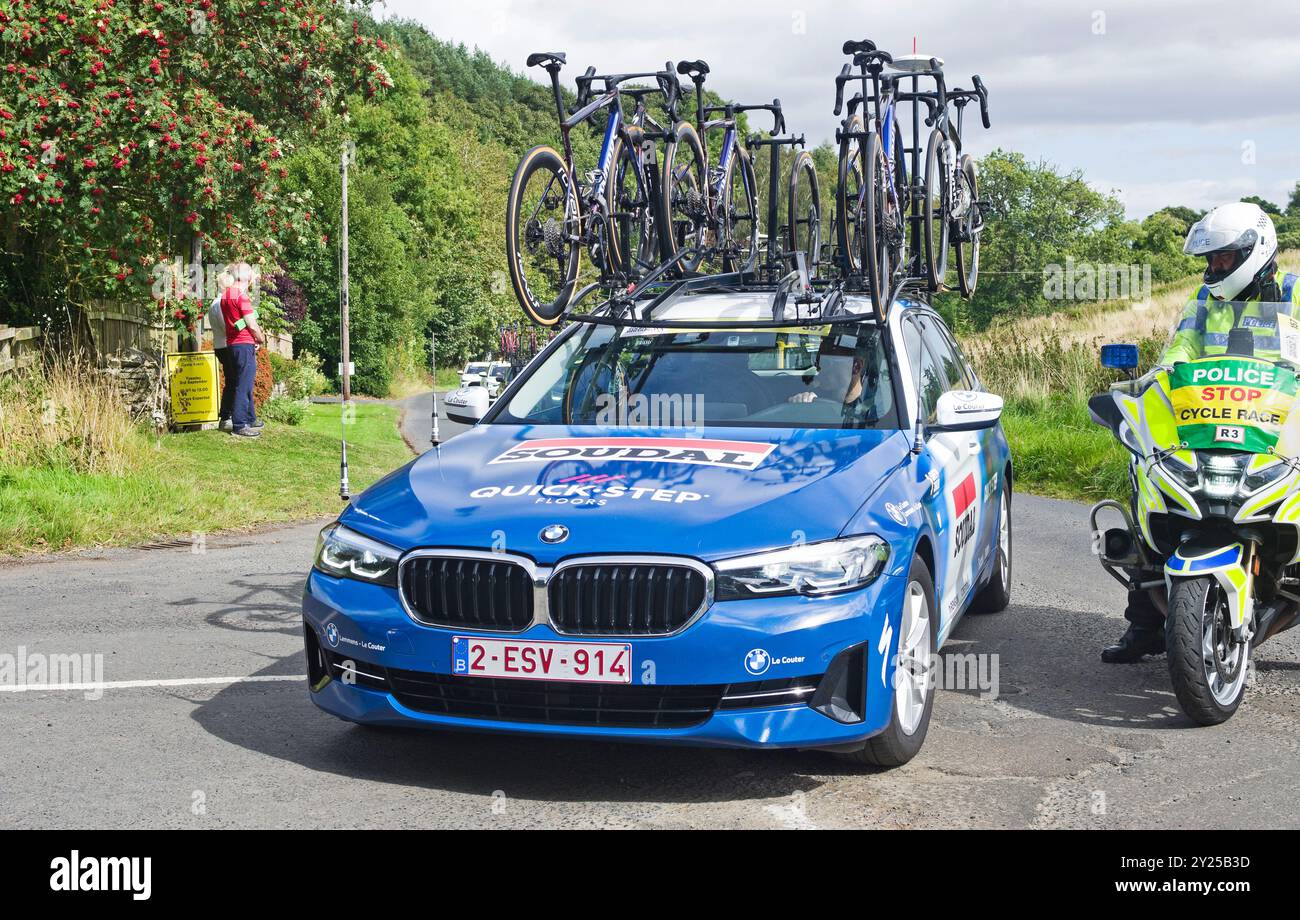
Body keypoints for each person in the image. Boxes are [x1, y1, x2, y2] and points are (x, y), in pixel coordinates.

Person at [1103, 202, 1300, 663]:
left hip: (1277, 417)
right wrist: (1160, 373)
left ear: (1255, 251)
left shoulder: (1293, 293)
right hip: (1210, 414)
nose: (1215, 268)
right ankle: (1146, 623)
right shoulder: (1204, 300)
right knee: (1149, 479)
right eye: (1211, 260)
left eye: (1224, 258)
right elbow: (1183, 345)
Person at [220, 262, 267, 439]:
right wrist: (260, 338)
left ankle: (248, 418)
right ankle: (240, 425)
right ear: (247, 277)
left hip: (232, 343)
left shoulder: (226, 295)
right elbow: (251, 324)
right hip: (244, 343)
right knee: (244, 384)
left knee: (240, 381)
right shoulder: (241, 296)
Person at [207, 274, 235, 432]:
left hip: (221, 345)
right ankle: (226, 416)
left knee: (232, 381)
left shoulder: (216, 303)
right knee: (233, 381)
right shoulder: (219, 304)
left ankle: (228, 415)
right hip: (226, 345)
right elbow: (227, 328)